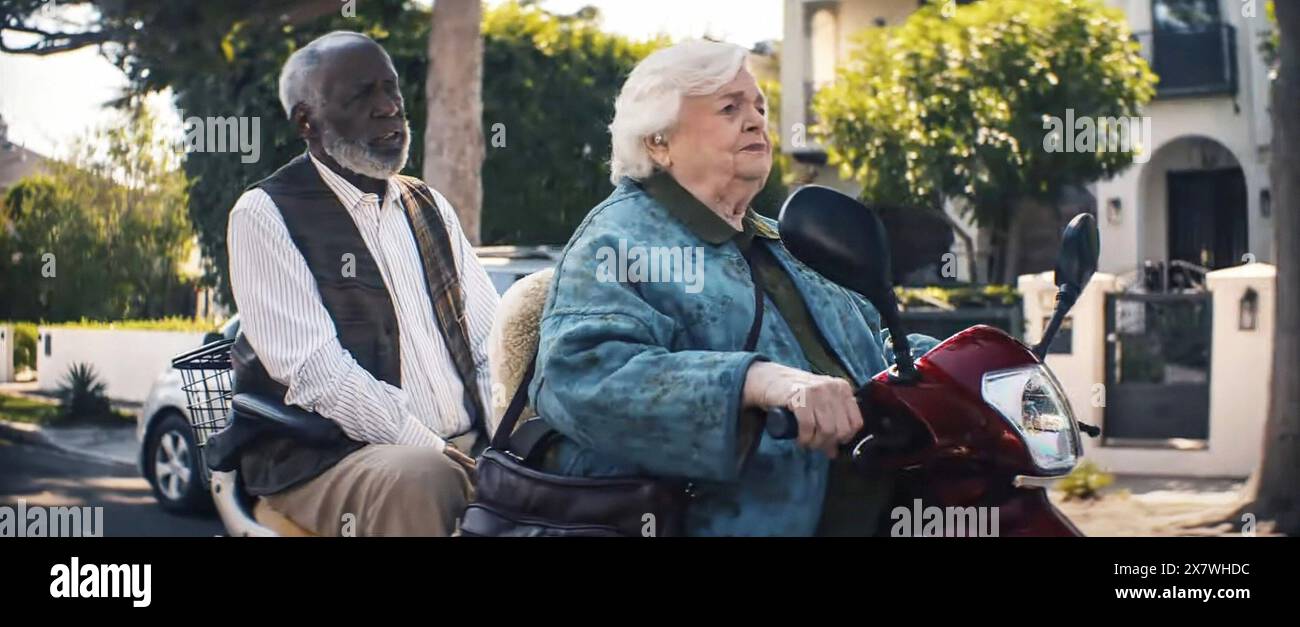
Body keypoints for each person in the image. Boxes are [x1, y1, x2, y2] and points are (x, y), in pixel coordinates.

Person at [530, 40, 937, 536]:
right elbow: (579, 380)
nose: (756, 120)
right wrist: (756, 382)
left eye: (760, 107)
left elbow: (872, 350)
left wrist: (968, 363)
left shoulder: (781, 240)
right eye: (730, 108)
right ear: (659, 141)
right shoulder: (619, 240)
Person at [223, 31, 498, 536]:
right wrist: (436, 449)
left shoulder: (429, 207)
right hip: (327, 460)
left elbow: (488, 345)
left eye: (391, 89)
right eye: (361, 95)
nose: (389, 107)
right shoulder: (265, 214)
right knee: (425, 479)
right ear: (306, 121)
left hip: (461, 446)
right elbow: (320, 375)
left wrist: (503, 444)